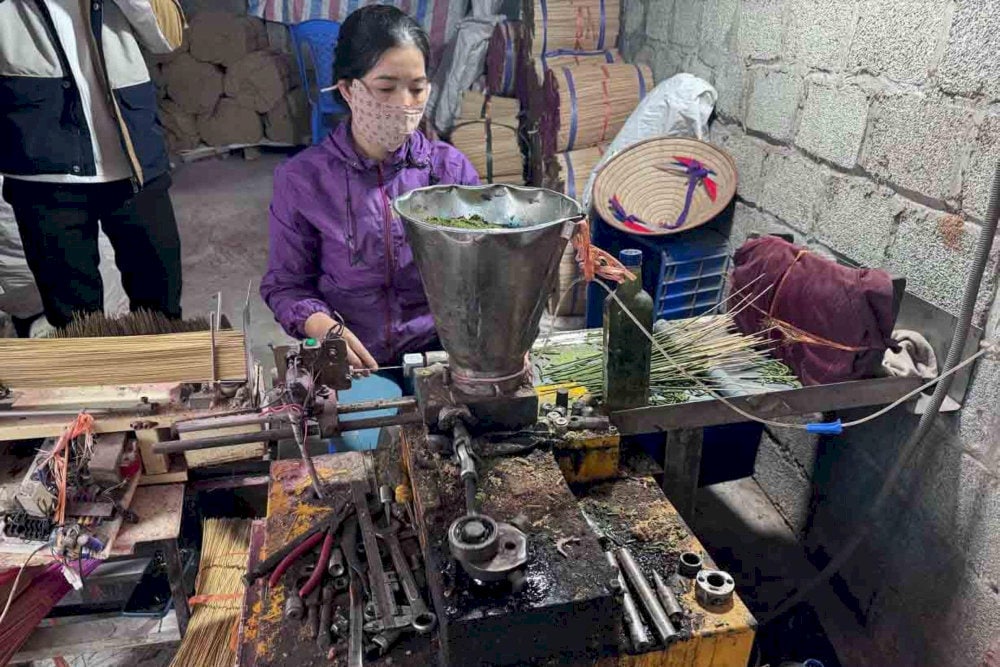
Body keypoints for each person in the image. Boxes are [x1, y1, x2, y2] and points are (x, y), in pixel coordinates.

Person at [261, 5, 479, 373]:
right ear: (348, 89)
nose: (405, 104)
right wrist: (320, 324)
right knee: (358, 431)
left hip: (440, 355)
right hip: (352, 360)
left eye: (417, 88)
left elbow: (482, 272)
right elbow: (286, 286)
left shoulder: (449, 171)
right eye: (386, 87)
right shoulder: (303, 180)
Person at [0, 0, 185, 330]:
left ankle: (163, 381)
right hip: (43, 169)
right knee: (76, 325)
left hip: (135, 161)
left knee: (161, 311)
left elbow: (167, 39)